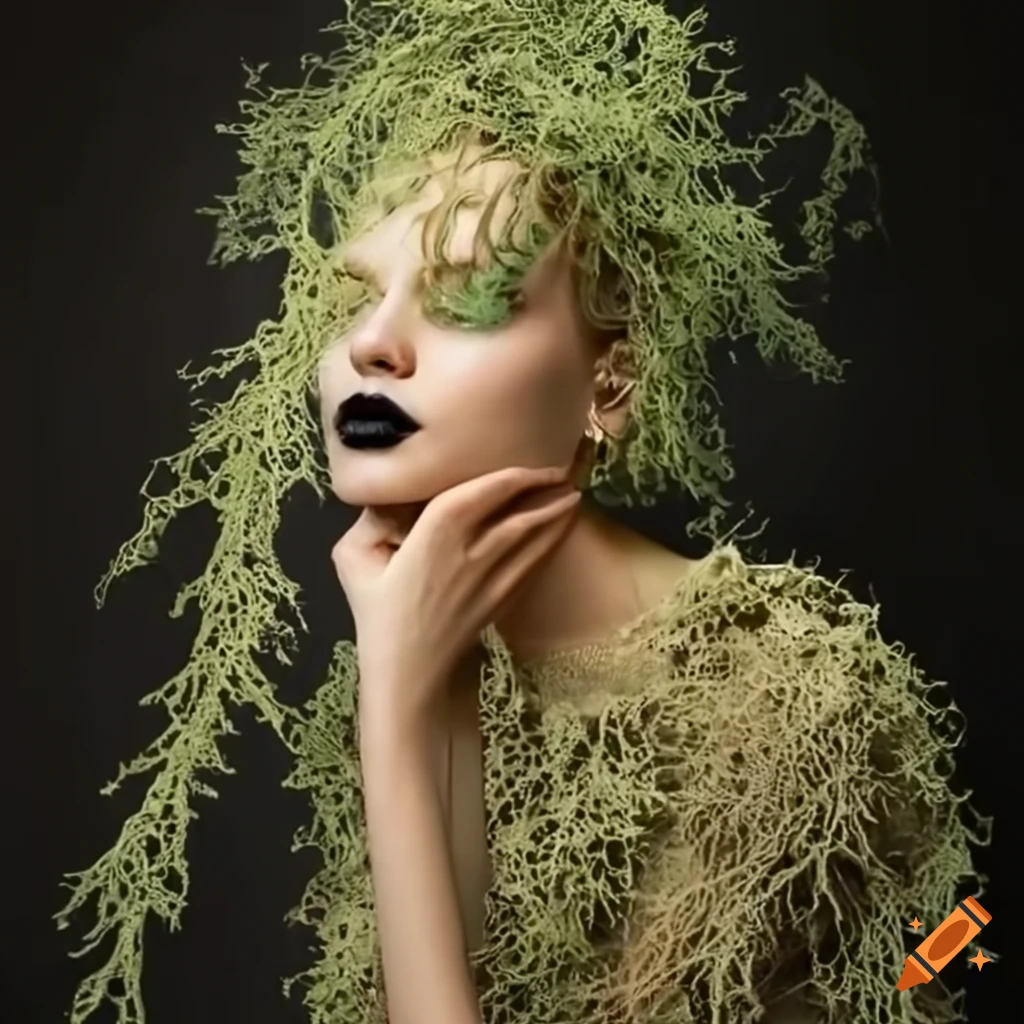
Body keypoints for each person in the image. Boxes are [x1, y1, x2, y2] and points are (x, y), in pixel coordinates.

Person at [57, 2, 991, 1023]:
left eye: (464, 301)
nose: (374, 345)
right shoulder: (410, 650)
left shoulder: (783, 704)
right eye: (353, 301)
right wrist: (417, 700)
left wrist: (406, 723)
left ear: (612, 387)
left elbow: (943, 951)